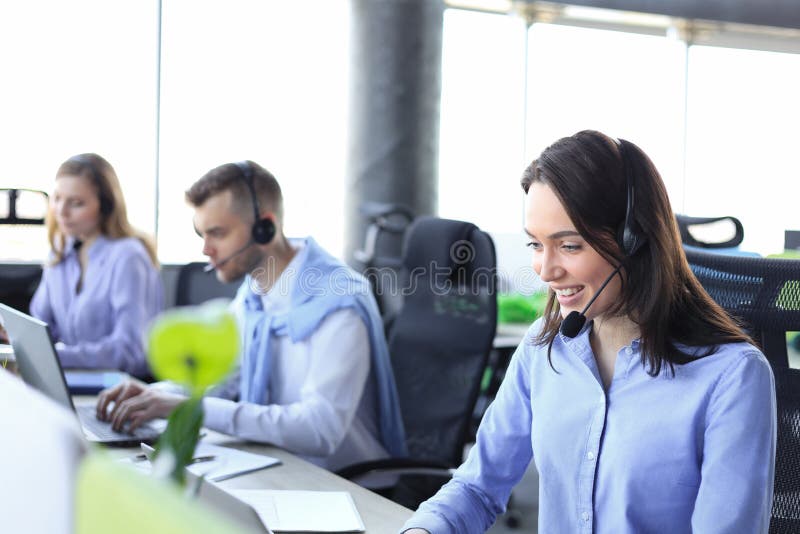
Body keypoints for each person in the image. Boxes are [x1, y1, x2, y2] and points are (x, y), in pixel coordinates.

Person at [402, 130, 776, 533]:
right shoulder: (543, 349)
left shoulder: (732, 377)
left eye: (569, 246)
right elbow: (477, 488)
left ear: (633, 240)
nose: (546, 270)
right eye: (535, 245)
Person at [96, 160, 407, 471]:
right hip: (279, 465)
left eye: (217, 233)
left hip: (343, 482)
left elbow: (319, 429)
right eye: (201, 234)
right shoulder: (255, 295)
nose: (206, 249)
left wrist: (189, 408)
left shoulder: (338, 301)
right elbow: (222, 378)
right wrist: (155, 394)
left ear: (265, 229)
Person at [30, 153, 163, 377]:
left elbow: (128, 351)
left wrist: (58, 356)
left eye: (76, 203)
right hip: (74, 377)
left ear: (105, 206)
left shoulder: (128, 256)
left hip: (122, 386)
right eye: (57, 198)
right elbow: (40, 325)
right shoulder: (61, 251)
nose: (61, 211)